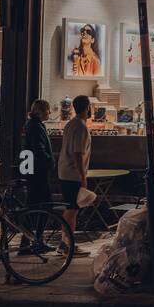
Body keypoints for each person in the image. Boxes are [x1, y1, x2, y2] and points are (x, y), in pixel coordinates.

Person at [57, 94, 92, 255]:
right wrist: (83, 176)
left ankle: (64, 243)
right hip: (73, 174)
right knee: (73, 210)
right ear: (87, 108)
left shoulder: (71, 124)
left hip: (64, 171)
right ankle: (69, 245)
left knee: (69, 208)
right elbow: (78, 153)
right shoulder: (81, 127)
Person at [23, 99, 55, 208]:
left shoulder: (33, 124)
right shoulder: (36, 126)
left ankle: (33, 223)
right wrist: (49, 162)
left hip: (32, 168)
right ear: (39, 111)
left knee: (35, 200)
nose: (50, 112)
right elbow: (38, 149)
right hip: (37, 170)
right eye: (48, 109)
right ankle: (36, 224)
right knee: (42, 201)